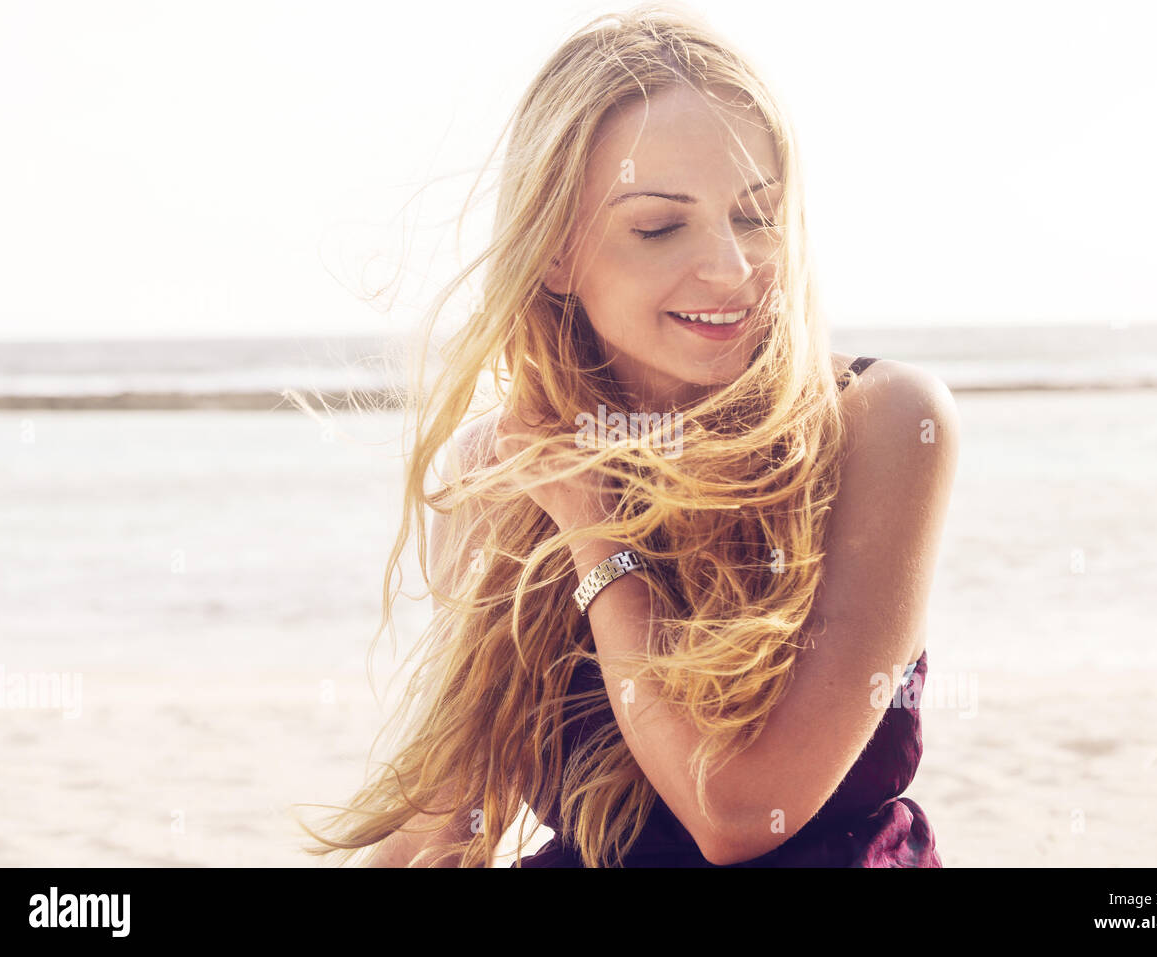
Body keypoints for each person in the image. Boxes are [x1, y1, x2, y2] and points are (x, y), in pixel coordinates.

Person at [295, 3, 959, 868]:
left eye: (757, 215)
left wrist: (594, 529)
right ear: (556, 253)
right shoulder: (495, 476)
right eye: (660, 224)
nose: (732, 266)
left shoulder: (881, 421)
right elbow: (449, 824)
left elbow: (740, 814)